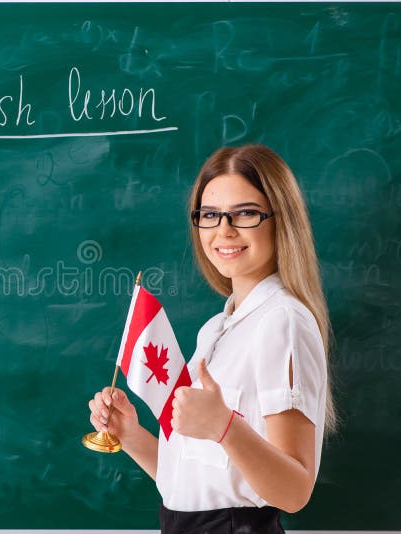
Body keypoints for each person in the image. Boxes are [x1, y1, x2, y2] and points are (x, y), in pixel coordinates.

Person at [88, 144, 336, 533]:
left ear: (280, 219)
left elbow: (294, 490)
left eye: (246, 213)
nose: (224, 230)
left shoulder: (282, 321)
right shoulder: (216, 330)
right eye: (210, 215)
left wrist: (223, 426)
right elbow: (195, 488)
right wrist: (132, 436)